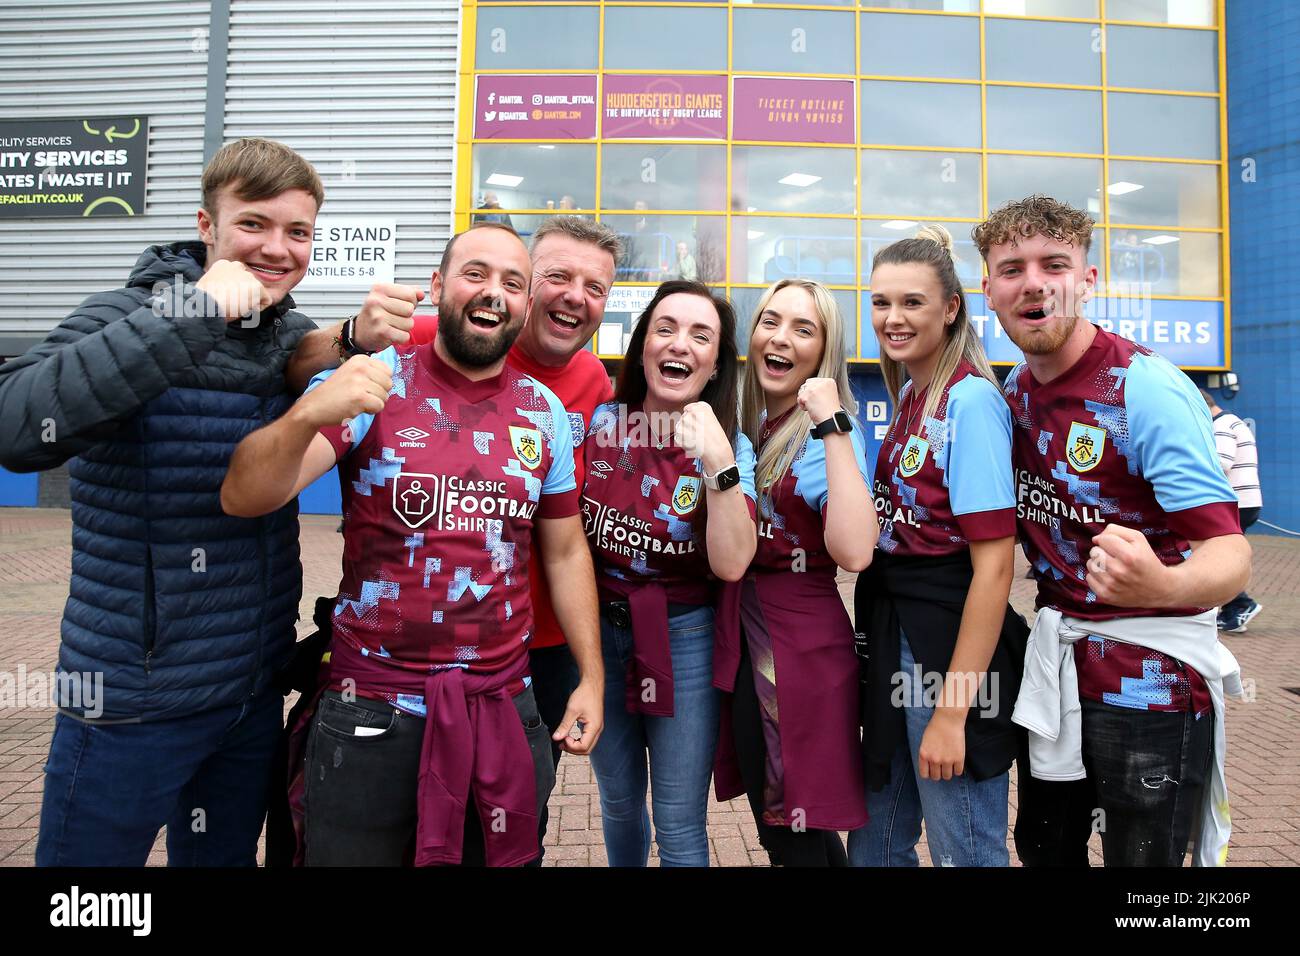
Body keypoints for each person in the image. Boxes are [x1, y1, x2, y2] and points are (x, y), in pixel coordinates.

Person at [0, 138, 361, 866]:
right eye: (254, 224)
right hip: (128, 699)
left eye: (298, 232)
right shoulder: (123, 312)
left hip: (250, 691)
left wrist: (349, 339)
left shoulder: (285, 333)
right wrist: (187, 312)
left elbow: (299, 357)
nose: (277, 248)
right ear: (207, 226)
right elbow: (16, 425)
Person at [220, 222, 604, 866]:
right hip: (369, 714)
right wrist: (310, 411)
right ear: (437, 287)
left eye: (513, 283)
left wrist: (590, 677)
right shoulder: (373, 383)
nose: (493, 293)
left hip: (505, 708)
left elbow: (565, 552)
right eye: (475, 273)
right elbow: (245, 493)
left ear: (526, 305)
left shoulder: (542, 413)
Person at [976, 196, 1251, 867]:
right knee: (1046, 851)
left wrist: (1165, 581)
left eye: (1054, 264)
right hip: (1059, 675)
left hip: (1150, 687)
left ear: (1088, 279)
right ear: (988, 290)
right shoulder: (1014, 392)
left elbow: (1232, 551)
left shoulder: (1143, 388)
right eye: (1012, 268)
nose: (1033, 281)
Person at [405, 216, 621, 854]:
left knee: (513, 818)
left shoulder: (593, 384)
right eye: (556, 276)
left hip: (542, 648)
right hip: (428, 646)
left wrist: (592, 670)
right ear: (528, 288)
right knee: (411, 814)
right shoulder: (430, 339)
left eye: (595, 286)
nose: (575, 296)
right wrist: (345, 336)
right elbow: (309, 360)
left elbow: (569, 533)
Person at [848, 226, 1022, 868]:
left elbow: (995, 566)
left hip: (948, 645)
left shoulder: (971, 401)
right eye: (880, 301)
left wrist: (953, 712)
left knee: (964, 849)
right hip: (897, 634)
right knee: (878, 840)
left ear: (951, 308)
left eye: (911, 302)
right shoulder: (913, 395)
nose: (892, 318)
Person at [582, 280, 757, 866]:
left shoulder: (732, 446)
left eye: (700, 335)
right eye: (666, 328)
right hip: (598, 638)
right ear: (642, 345)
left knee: (679, 822)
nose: (680, 344)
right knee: (619, 802)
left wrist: (718, 463)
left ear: (713, 365)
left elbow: (732, 562)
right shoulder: (599, 423)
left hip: (684, 641)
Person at [714, 278, 874, 867]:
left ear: (824, 352)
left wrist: (831, 423)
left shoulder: (826, 435)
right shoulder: (748, 423)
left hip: (799, 653)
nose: (780, 338)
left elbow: (856, 551)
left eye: (803, 329)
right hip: (747, 637)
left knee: (793, 824)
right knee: (787, 826)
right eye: (770, 321)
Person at [1200, 388, 1263, 633]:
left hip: (1236, 502)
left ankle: (1242, 605)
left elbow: (1221, 463)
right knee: (1217, 554)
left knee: (1215, 556)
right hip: (1243, 501)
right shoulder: (1231, 421)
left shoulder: (1222, 425)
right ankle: (1232, 609)